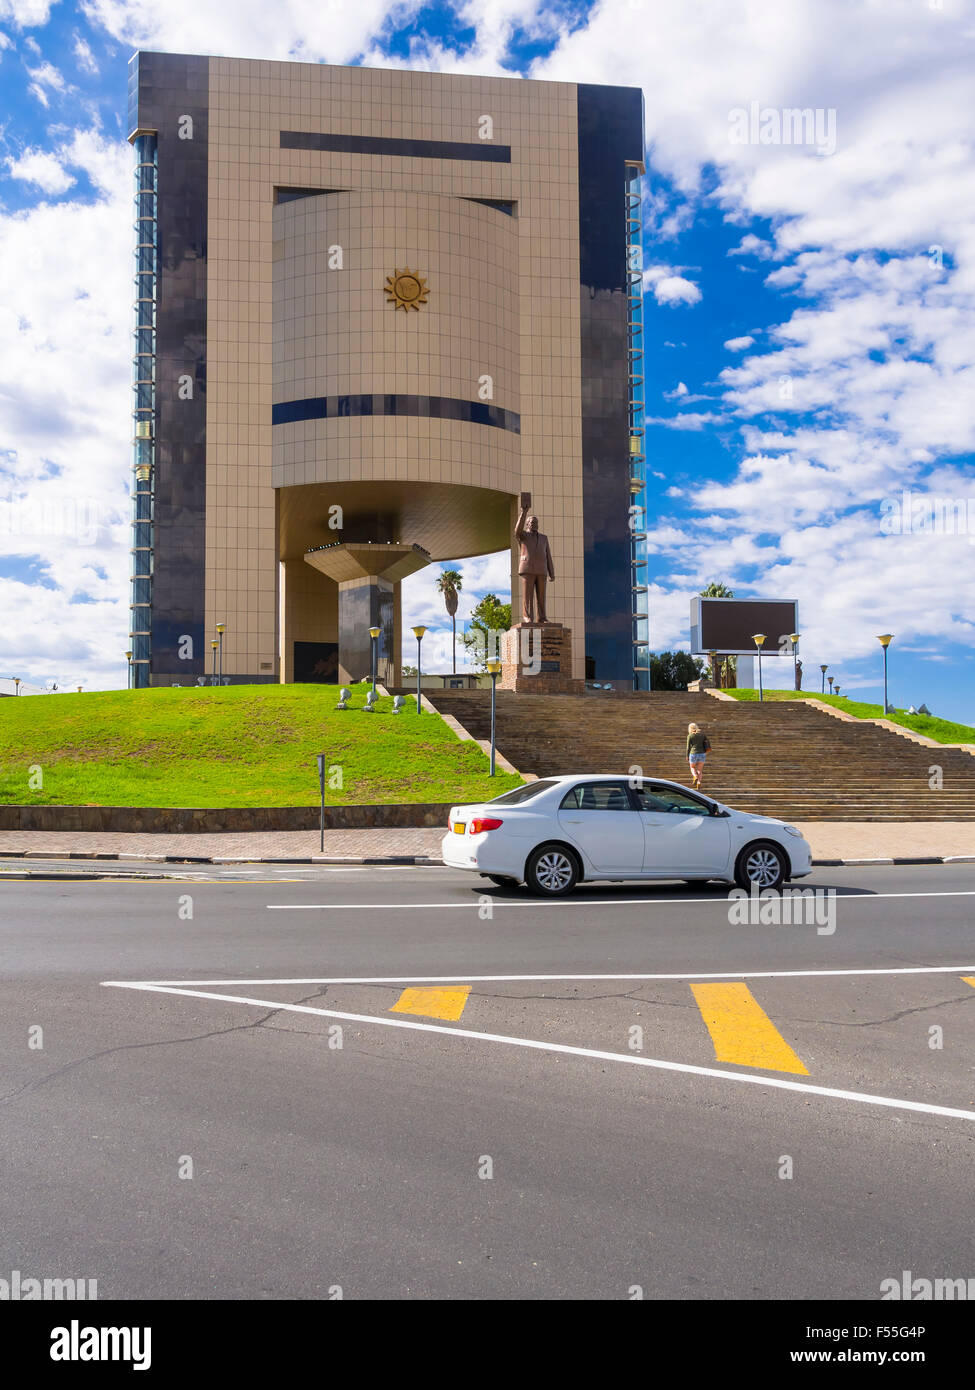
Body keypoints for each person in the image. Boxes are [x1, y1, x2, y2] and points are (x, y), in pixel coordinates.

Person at [686, 721, 710, 789]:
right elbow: (707, 742)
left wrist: (687, 755)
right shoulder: (702, 735)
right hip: (702, 753)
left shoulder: (690, 736)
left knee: (692, 767)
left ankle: (695, 776)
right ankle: (699, 782)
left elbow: (688, 747)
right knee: (699, 770)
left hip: (693, 753)